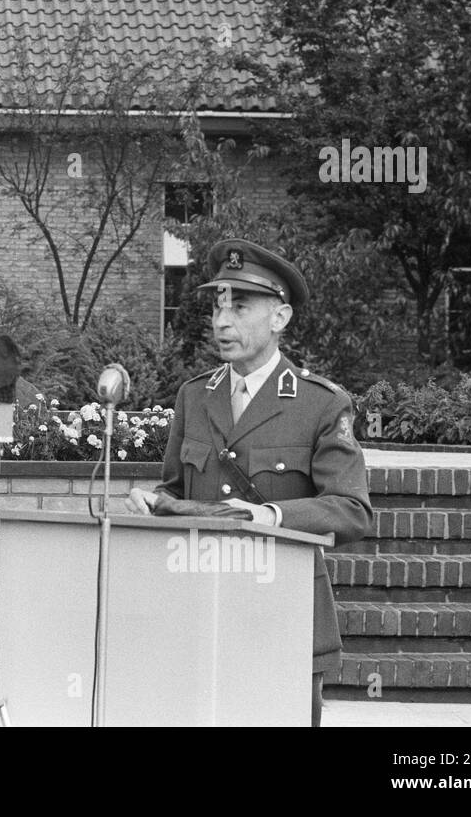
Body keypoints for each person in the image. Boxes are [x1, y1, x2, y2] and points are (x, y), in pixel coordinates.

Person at [126, 238, 372, 727]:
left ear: (279, 318)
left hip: (283, 614)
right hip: (197, 612)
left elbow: (352, 509)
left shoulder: (321, 404)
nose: (221, 321)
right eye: (218, 306)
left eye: (239, 307)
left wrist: (271, 516)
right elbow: (175, 489)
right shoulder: (195, 396)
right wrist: (153, 504)